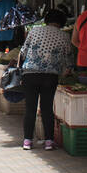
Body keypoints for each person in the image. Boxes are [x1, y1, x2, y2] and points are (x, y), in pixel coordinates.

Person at [18, 9, 74, 150]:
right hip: (50, 76)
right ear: (61, 22)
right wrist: (67, 71)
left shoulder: (34, 31)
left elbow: (23, 52)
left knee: (30, 108)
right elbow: (68, 59)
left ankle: (27, 141)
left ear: (46, 20)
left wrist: (20, 70)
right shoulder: (64, 36)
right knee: (47, 109)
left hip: (30, 74)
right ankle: (49, 142)